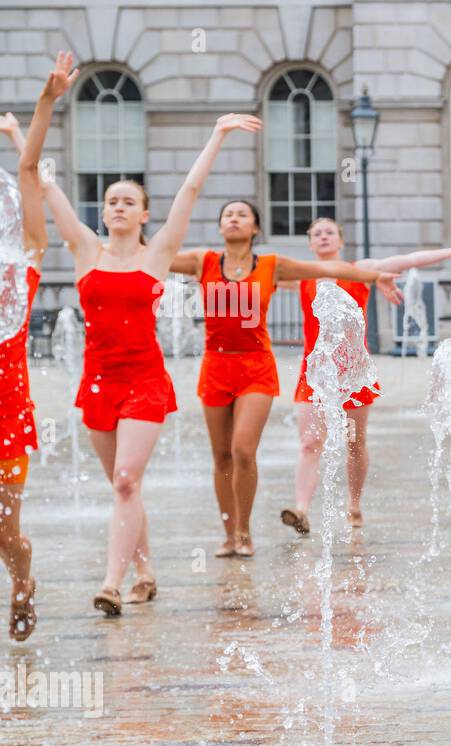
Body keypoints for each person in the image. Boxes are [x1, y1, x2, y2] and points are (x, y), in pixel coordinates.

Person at [37, 52, 261, 614]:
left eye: (128, 202)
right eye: (111, 200)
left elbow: (188, 192)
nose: (117, 206)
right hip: (97, 383)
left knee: (127, 480)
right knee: (121, 485)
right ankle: (145, 570)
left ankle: (109, 584)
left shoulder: (158, 255)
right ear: (104, 211)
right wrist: (38, 118)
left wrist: (215, 134)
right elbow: (41, 183)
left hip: (143, 381)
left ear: (142, 215)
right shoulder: (85, 251)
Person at [168, 204, 402, 557]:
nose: (233, 218)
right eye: (227, 215)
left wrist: (373, 277)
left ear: (256, 228)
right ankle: (229, 533)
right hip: (215, 367)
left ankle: (245, 533)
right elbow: (154, 257)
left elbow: (327, 267)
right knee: (221, 456)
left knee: (242, 449)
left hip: (256, 367)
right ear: (219, 227)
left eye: (242, 215)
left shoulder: (270, 265)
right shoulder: (203, 262)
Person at [279, 217, 451, 534]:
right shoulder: (303, 275)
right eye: (316, 233)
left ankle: (354, 504)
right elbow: (257, 274)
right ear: (309, 243)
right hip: (315, 372)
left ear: (340, 241)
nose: (322, 237)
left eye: (329, 232)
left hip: (353, 373)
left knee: (354, 442)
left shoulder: (362, 269)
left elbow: (409, 260)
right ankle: (301, 510)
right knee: (309, 443)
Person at [0, 97, 52, 639]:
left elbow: (28, 169)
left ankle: (21, 582)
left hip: (7, 423)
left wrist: (46, 103)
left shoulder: (22, 272)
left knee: (3, 531)